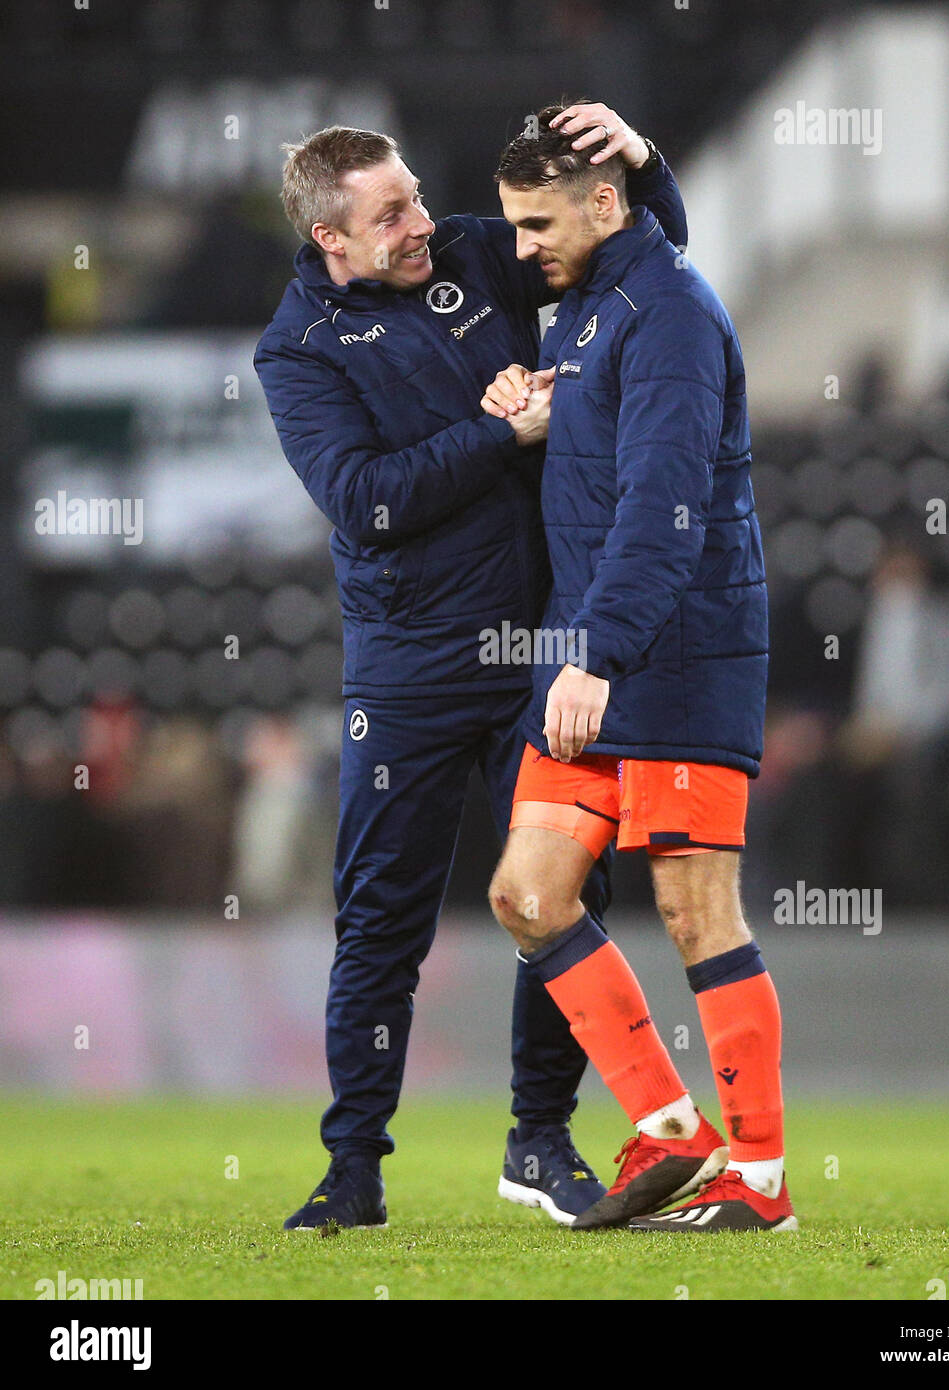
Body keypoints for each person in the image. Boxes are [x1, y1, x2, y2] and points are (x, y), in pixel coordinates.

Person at [253, 103, 689, 1229]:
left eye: (412, 195)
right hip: (405, 668)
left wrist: (640, 159)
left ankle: (539, 1138)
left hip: (539, 651)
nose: (420, 226)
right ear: (329, 242)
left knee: (562, 898)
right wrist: (504, 433)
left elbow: (650, 249)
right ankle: (352, 1170)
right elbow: (364, 500)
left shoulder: (476, 253)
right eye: (389, 213)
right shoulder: (297, 350)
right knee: (381, 921)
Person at [481, 107, 796, 1232]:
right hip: (594, 651)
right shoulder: (597, 303)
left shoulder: (665, 315)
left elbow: (665, 513)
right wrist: (535, 412)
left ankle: (758, 1180)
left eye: (537, 223)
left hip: (672, 648)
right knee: (528, 893)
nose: (522, 249)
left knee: (695, 906)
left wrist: (596, 654)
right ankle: (670, 1128)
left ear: (603, 205)